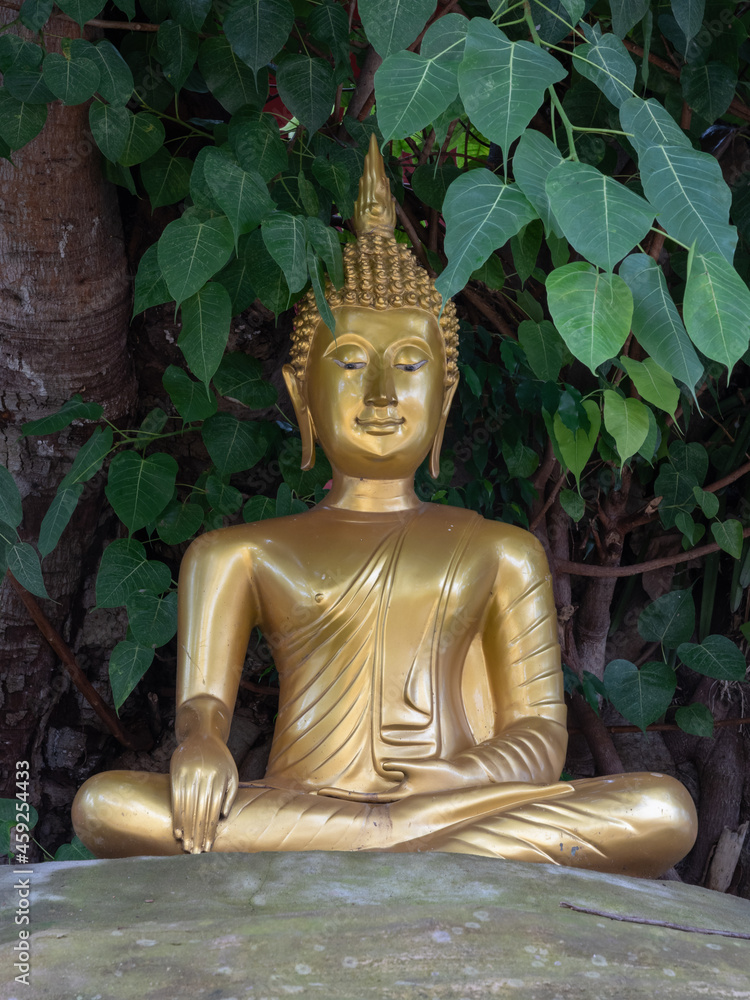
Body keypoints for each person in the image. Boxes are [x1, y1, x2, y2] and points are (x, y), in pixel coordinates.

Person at [73, 138, 697, 876]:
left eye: (408, 364)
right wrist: (203, 744)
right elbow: (201, 705)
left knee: (663, 809)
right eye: (348, 363)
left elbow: (537, 736)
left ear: (446, 396)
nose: (379, 397)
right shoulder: (235, 553)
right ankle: (422, 851)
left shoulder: (501, 551)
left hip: (446, 802)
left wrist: (458, 779)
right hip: (306, 803)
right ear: (303, 395)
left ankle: (392, 841)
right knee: (106, 805)